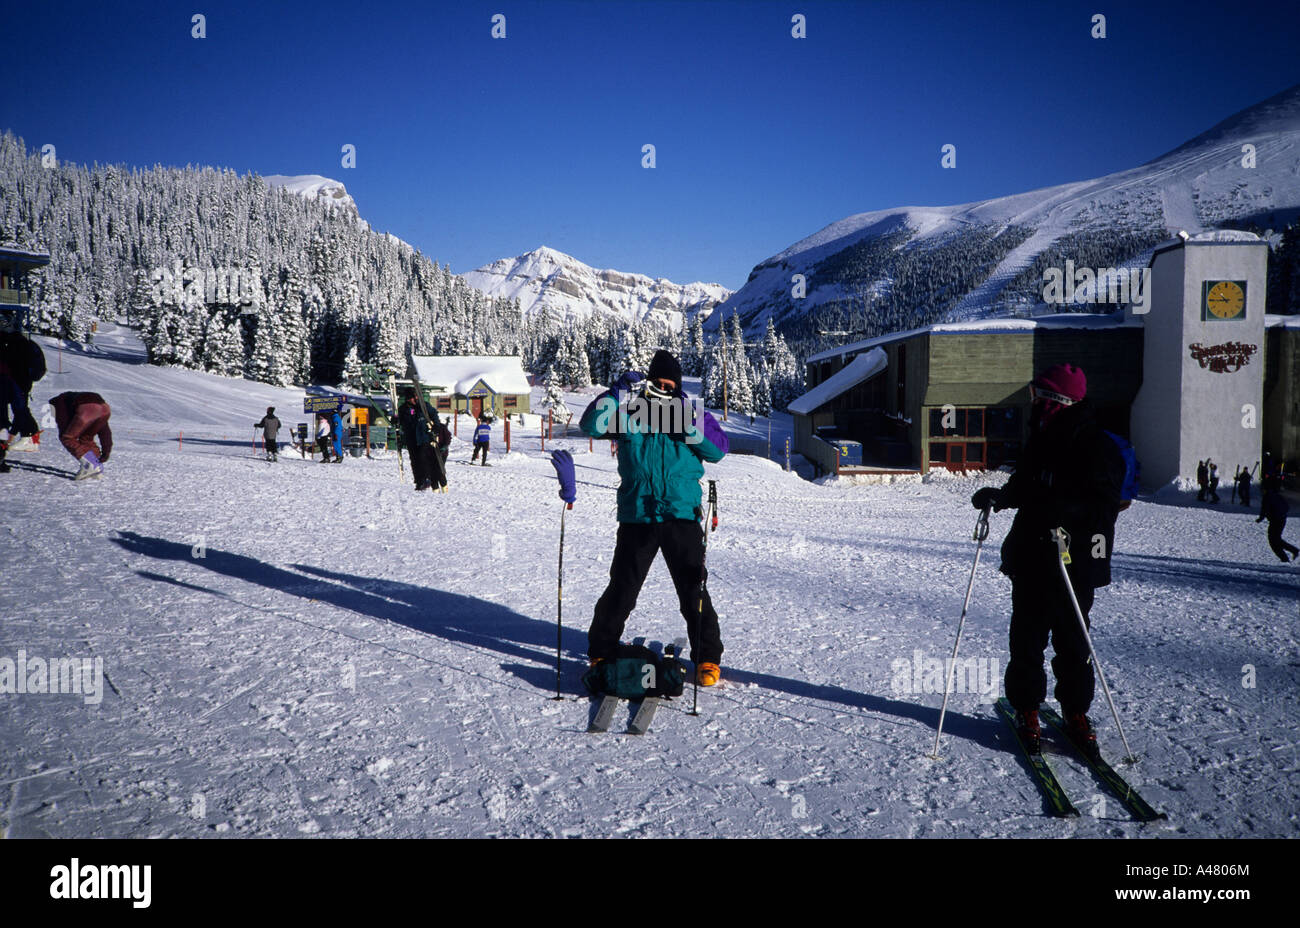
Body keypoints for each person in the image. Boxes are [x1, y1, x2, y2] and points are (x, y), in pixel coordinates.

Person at [971, 364, 1125, 758]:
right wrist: (1000, 498)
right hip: (1033, 558)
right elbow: (1026, 483)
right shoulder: (1040, 439)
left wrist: (1063, 511)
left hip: (1075, 561)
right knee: (1026, 639)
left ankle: (1075, 712)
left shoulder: (1098, 447)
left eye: (1038, 395)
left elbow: (1106, 504)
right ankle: (1027, 708)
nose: (1033, 402)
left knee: (1073, 642)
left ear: (1055, 401)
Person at [580, 349, 729, 686]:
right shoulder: (633, 413)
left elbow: (718, 450)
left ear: (677, 386)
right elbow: (591, 424)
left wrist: (688, 429)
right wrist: (614, 393)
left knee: (694, 590)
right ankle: (601, 649)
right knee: (622, 588)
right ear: (649, 383)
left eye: (669, 384)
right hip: (638, 514)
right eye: (658, 382)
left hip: (681, 514)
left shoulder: (692, 413)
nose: (663, 388)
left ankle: (707, 659)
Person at [0, 321, 47, 470]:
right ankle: (29, 437)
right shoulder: (26, 343)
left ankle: (29, 437)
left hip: (11, 383)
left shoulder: (9, 344)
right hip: (21, 383)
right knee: (20, 410)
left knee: (13, 413)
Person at [50, 391, 113, 480]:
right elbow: (105, 431)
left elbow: (64, 428)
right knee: (87, 438)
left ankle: (89, 465)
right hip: (105, 407)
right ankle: (97, 466)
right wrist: (106, 452)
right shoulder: (71, 399)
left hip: (88, 408)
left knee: (67, 438)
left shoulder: (59, 403)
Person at [1257, 477, 1298, 562]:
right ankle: (1292, 551)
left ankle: (1285, 558)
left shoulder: (1267, 496)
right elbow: (1286, 507)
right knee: (1276, 539)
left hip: (1275, 520)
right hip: (1282, 520)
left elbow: (1265, 508)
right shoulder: (1277, 495)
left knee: (1273, 540)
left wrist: (1261, 518)